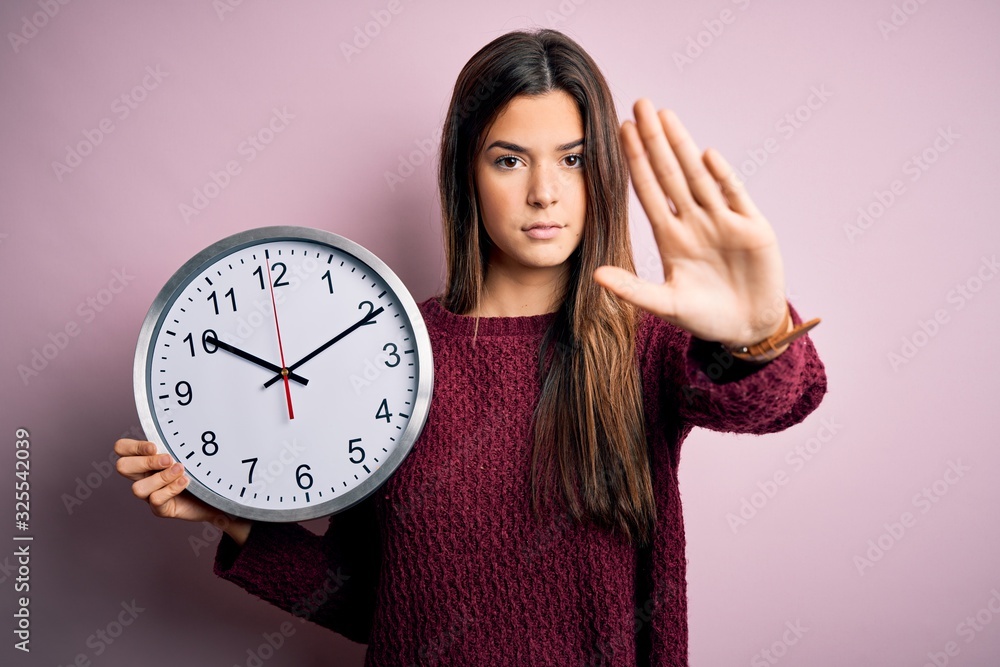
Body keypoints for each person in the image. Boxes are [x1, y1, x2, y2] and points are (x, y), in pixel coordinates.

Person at [115, 28, 826, 666]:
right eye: (509, 160)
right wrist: (236, 517)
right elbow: (370, 602)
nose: (544, 192)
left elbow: (780, 400)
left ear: (602, 173)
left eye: (573, 159)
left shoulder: (646, 342)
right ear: (466, 173)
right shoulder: (389, 351)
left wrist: (755, 333)